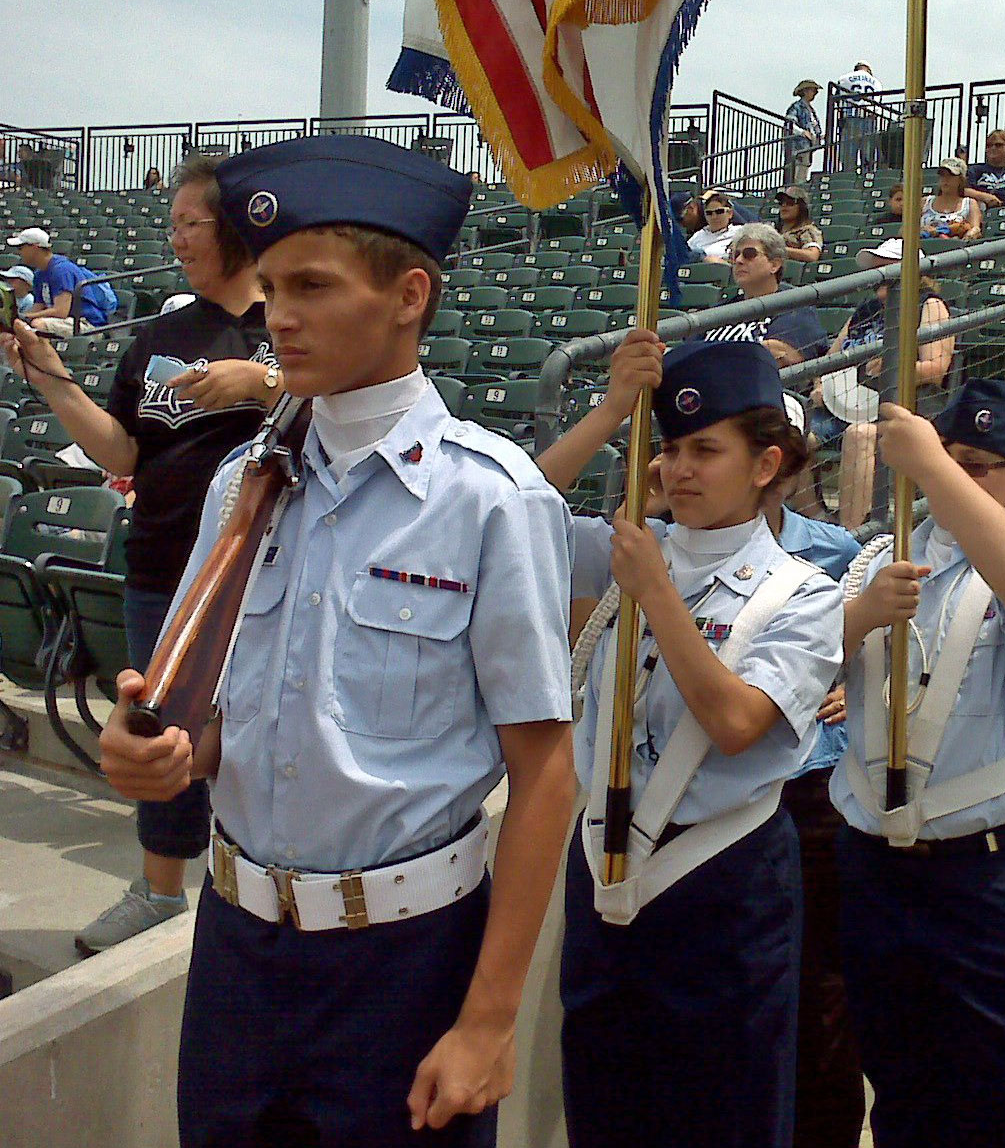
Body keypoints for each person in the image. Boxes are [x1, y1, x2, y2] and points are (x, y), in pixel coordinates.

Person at [75, 134, 577, 1146]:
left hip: (405, 959)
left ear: (409, 295)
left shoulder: (490, 498)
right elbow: (210, 723)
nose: (279, 315)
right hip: (234, 947)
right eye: (269, 287)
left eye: (310, 284)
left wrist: (485, 1022)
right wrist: (161, 754)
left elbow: (546, 772)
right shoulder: (243, 483)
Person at [539, 334, 843, 1148]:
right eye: (670, 448)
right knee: (607, 1112)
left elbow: (739, 723)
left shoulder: (802, 594)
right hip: (604, 866)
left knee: (725, 1117)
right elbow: (515, 504)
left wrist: (655, 592)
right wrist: (610, 410)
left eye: (706, 450)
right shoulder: (628, 552)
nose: (680, 469)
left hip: (724, 880)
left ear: (766, 463)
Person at [10, 156, 289, 958]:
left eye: (187, 225)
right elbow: (125, 445)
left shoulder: (289, 325)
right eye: (169, 226)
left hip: (262, 576)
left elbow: (340, 407)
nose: (176, 240)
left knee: (257, 737)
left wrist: (262, 380)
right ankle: (161, 890)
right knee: (159, 725)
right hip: (161, 561)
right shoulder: (163, 333)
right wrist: (52, 380)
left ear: (232, 226)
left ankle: (254, 892)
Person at [832, 380, 1005, 1148]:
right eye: (950, 457)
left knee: (998, 1107)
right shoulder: (880, 562)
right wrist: (862, 612)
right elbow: (805, 672)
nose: (959, 475)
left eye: (979, 465)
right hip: (880, 871)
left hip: (994, 881)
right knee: (903, 1099)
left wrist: (932, 468)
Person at [761, 413, 865, 1148]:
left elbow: (887, 656)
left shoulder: (835, 552)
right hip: (736, 797)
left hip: (818, 791)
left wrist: (859, 687)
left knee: (827, 989)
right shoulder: (671, 554)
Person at [809, 238, 954, 529]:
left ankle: (854, 533)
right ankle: (816, 518)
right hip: (844, 405)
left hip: (898, 409)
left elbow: (936, 368)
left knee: (859, 436)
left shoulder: (929, 306)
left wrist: (893, 366)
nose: (878, 273)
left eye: (885, 266)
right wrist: (820, 386)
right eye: (876, 266)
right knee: (793, 436)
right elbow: (829, 359)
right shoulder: (865, 310)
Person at [703, 223, 828, 366]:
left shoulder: (794, 306)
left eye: (749, 254)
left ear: (774, 265)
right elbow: (688, 351)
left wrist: (709, 355)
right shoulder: (723, 309)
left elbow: (781, 354)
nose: (738, 260)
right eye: (735, 255)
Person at [8, 227, 117, 336]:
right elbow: (38, 307)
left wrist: (28, 317)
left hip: (87, 324)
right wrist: (19, 319)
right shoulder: (39, 274)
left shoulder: (62, 270)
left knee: (38, 324)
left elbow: (60, 312)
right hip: (63, 322)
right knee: (8, 337)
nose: (19, 252)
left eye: (21, 247)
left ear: (35, 247)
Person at [836, 61, 883, 171]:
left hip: (850, 117)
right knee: (867, 153)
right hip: (869, 118)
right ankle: (866, 177)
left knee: (848, 153)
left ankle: (848, 176)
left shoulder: (844, 78)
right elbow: (877, 104)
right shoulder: (876, 82)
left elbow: (839, 99)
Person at [920, 158, 982, 240]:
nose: (945, 179)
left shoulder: (969, 204)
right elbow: (904, 230)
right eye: (942, 175)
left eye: (951, 175)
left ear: (961, 179)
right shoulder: (925, 202)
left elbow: (976, 229)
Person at [967, 130, 1005, 208]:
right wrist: (984, 197)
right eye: (989, 145)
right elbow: (963, 191)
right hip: (983, 210)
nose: (993, 148)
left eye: (998, 145)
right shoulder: (975, 170)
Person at [786, 80, 823, 186]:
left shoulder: (810, 109)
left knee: (804, 167)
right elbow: (789, 124)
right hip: (800, 145)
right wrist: (802, 132)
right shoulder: (797, 107)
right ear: (805, 91)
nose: (815, 93)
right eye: (813, 90)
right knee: (799, 169)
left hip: (808, 145)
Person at [775, 185, 824, 262]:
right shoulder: (773, 230)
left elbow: (812, 255)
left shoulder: (807, 230)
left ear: (802, 207)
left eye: (790, 203)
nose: (784, 206)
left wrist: (780, 250)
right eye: (781, 203)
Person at [687, 192, 740, 263]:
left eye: (719, 212)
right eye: (709, 213)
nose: (714, 217)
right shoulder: (697, 236)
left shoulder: (740, 233)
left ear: (730, 213)